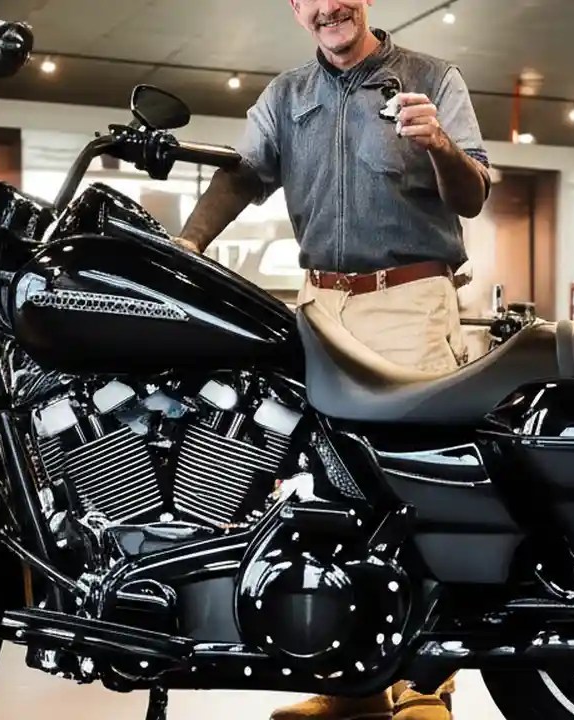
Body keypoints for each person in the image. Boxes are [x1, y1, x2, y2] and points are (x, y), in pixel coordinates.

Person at [175, 1, 488, 717]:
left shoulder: (433, 79)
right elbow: (241, 176)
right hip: (319, 310)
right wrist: (185, 247)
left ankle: (427, 685)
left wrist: (439, 144)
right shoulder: (285, 97)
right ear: (295, 8)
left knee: (419, 490)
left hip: (409, 300)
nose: (327, 7)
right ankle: (353, 687)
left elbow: (472, 194)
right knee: (332, 491)